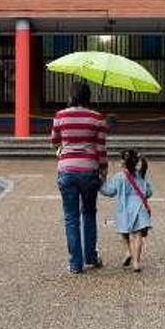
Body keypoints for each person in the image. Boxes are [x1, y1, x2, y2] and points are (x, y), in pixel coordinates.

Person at [51, 82, 107, 274]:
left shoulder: (60, 116)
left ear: (71, 95)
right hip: (90, 171)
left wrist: (62, 148)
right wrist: (104, 171)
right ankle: (90, 256)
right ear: (88, 96)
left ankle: (75, 263)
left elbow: (55, 142)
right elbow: (101, 149)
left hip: (66, 170)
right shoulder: (97, 118)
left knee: (71, 217)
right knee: (89, 213)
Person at [100, 149, 153, 273]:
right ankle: (136, 262)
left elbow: (109, 191)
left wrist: (101, 182)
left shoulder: (119, 177)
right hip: (139, 208)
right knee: (138, 235)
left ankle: (129, 251)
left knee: (124, 232)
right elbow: (148, 192)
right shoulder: (140, 175)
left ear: (123, 162)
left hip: (124, 209)